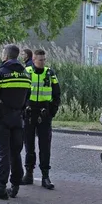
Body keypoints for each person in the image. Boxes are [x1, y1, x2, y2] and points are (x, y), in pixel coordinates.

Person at [0, 44, 31, 200]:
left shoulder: (1, 73)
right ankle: (15, 185)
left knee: (3, 153)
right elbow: (27, 97)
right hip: (18, 119)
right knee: (15, 153)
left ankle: (0, 188)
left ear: (6, 55)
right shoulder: (25, 74)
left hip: (2, 118)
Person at [23, 49, 61, 190]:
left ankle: (45, 176)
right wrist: (23, 109)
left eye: (44, 59)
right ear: (33, 60)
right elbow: (20, 91)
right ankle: (29, 174)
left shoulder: (50, 73)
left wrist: (52, 112)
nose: (43, 62)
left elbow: (57, 93)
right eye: (40, 60)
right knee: (29, 145)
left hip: (44, 113)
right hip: (29, 112)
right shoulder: (26, 72)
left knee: (45, 147)